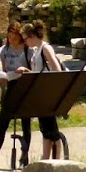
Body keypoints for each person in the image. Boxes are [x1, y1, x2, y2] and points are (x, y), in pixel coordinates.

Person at [0, 21, 34, 167]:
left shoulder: (28, 50)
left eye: (15, 38)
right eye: (10, 38)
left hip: (25, 87)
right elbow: (1, 65)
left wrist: (24, 71)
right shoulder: (5, 49)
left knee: (26, 123)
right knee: (4, 122)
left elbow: (34, 70)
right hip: (11, 86)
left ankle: (24, 157)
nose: (12, 41)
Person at [22, 20, 66, 160]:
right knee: (44, 127)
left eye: (25, 39)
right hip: (39, 92)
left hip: (47, 92)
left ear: (32, 36)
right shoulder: (36, 51)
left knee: (52, 128)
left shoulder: (45, 48)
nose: (25, 43)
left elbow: (56, 69)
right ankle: (45, 158)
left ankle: (57, 158)